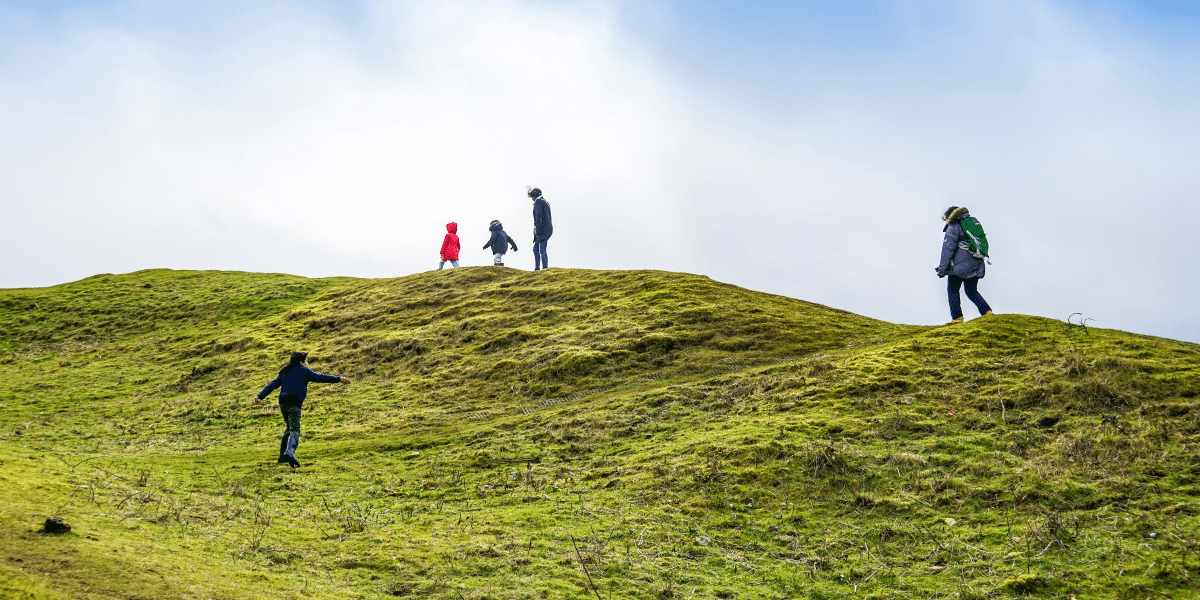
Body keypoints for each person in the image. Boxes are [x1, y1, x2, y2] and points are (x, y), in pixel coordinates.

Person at [252, 352, 350, 467]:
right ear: (301, 361)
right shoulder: (304, 370)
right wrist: (339, 379)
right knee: (295, 430)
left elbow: (273, 384)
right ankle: (289, 452)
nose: (307, 362)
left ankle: (282, 457)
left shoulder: (285, 370)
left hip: (283, 403)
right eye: (306, 360)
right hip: (294, 402)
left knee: (289, 428)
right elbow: (320, 377)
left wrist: (260, 396)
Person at [936, 206, 994, 325]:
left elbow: (947, 250)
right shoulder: (971, 224)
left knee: (952, 290)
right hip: (976, 263)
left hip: (959, 267)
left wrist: (942, 269)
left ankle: (957, 318)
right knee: (971, 290)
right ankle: (987, 312)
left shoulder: (953, 228)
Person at [528, 187, 553, 270]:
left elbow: (538, 217)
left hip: (542, 230)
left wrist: (537, 232)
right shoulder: (545, 202)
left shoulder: (538, 202)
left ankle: (542, 268)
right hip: (547, 229)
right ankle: (540, 268)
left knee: (540, 249)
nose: (531, 198)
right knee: (538, 249)